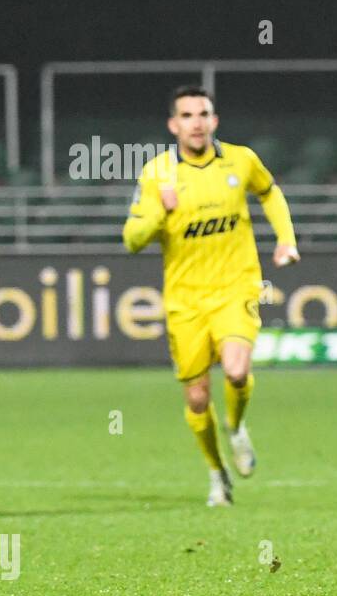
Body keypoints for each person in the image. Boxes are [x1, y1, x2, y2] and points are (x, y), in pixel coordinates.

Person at [123, 86, 299, 506]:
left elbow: (269, 192)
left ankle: (236, 427)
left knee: (237, 371)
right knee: (197, 396)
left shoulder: (241, 159)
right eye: (187, 115)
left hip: (236, 287)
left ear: (214, 120)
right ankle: (217, 473)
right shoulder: (157, 174)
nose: (196, 122)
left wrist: (286, 239)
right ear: (174, 125)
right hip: (185, 301)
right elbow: (131, 239)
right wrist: (158, 213)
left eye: (203, 114)